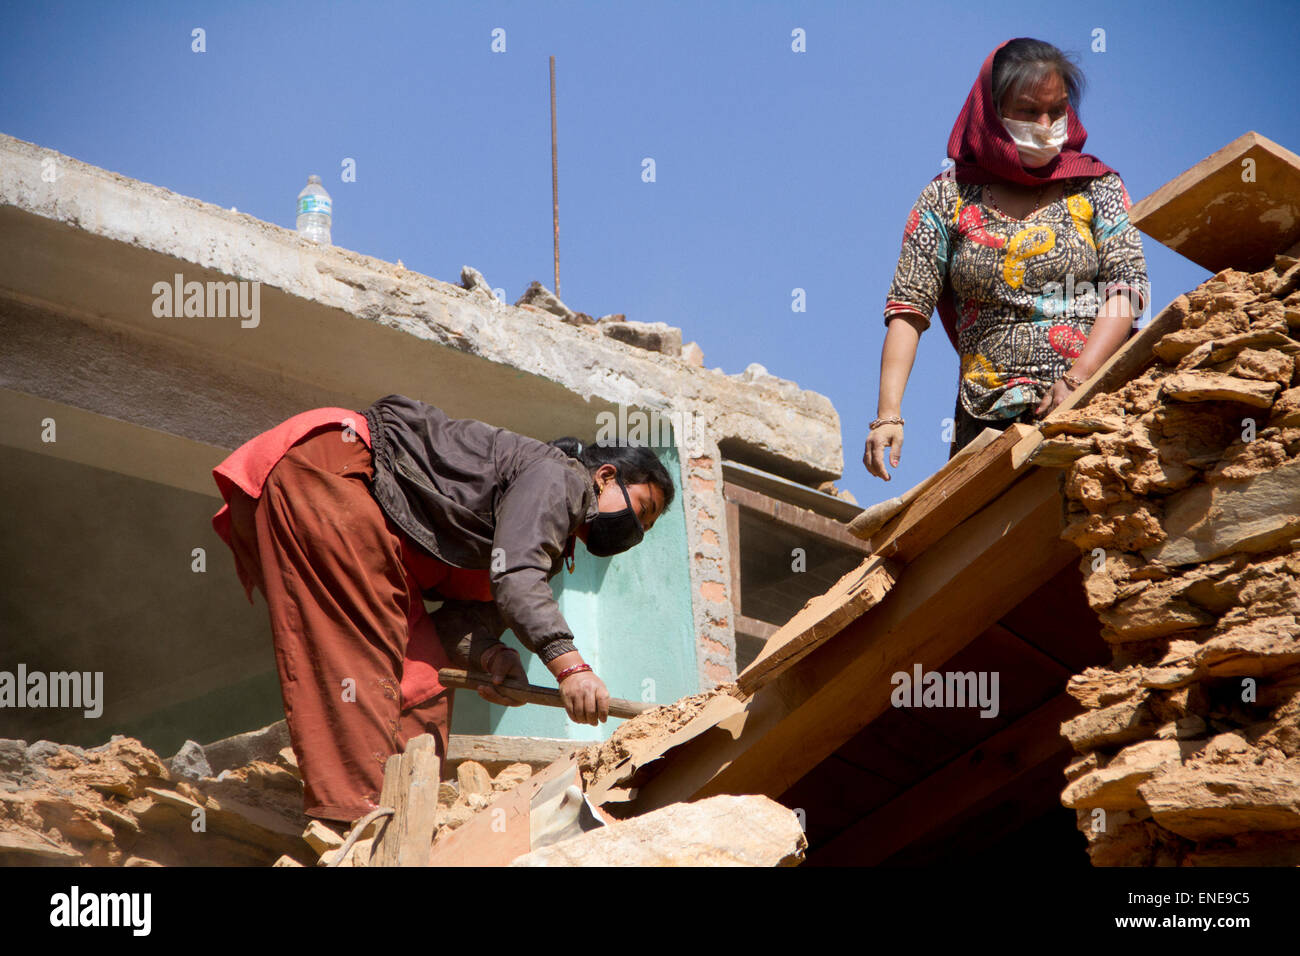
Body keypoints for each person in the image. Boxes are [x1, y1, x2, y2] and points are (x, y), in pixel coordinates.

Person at [210, 393, 674, 825]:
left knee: (425, 681)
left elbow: (461, 621)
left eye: (648, 527)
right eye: (642, 509)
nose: (637, 530)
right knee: (360, 655)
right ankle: (355, 823)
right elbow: (516, 575)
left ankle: (408, 816)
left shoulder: (553, 545)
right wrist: (571, 667)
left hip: (382, 545)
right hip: (335, 473)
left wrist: (492, 656)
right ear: (606, 476)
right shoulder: (560, 477)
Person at [865, 37, 1151, 477]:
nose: (1045, 123)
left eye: (1056, 111)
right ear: (991, 112)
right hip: (984, 422)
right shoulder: (948, 197)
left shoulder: (1096, 186)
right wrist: (888, 415)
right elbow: (908, 308)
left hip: (1092, 407)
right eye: (1027, 110)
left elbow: (1128, 288)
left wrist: (1079, 379)